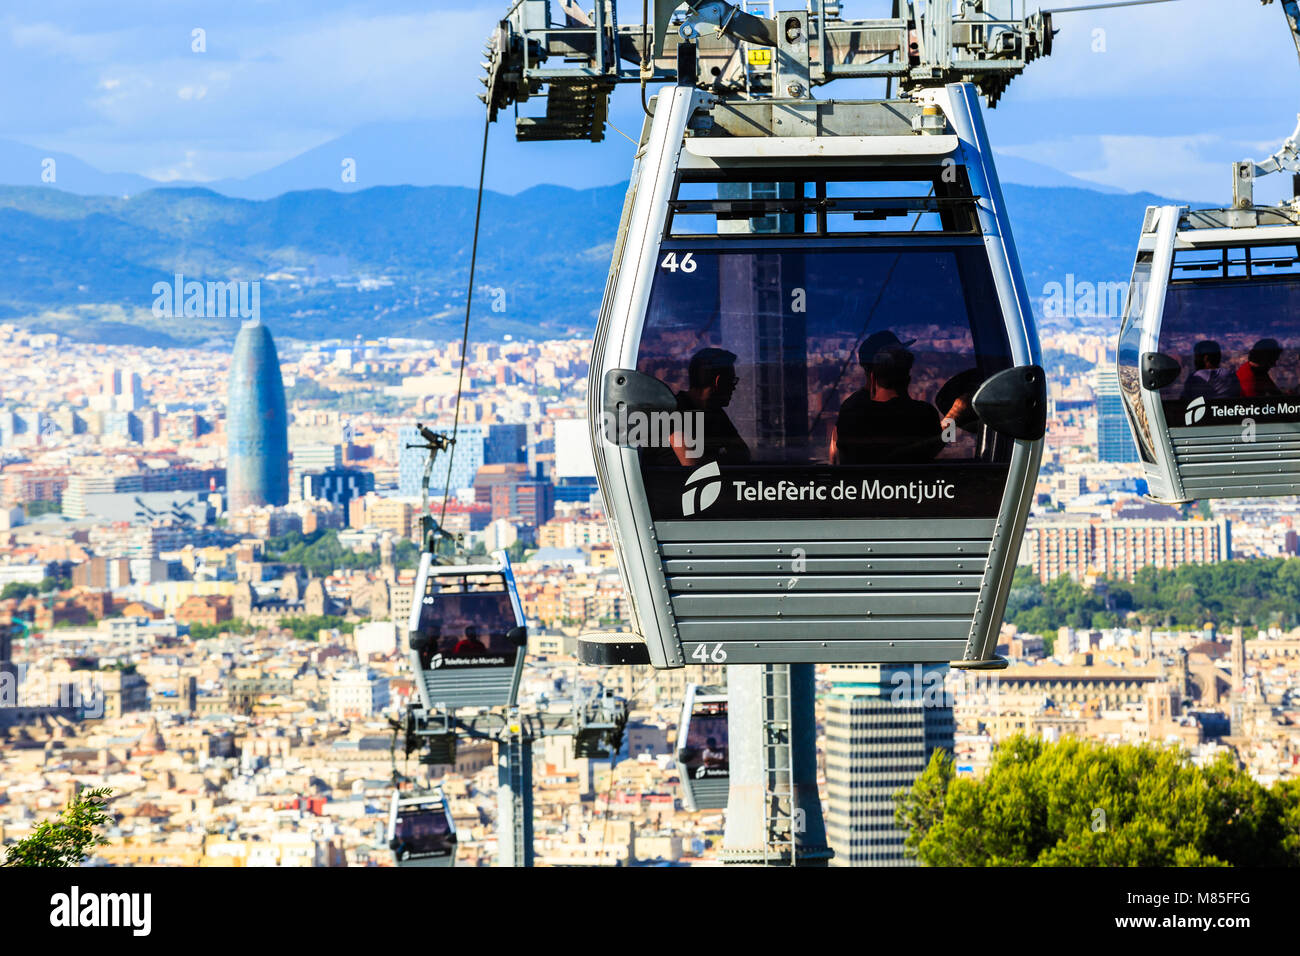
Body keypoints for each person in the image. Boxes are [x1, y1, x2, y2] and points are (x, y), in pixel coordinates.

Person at [831, 332, 943, 464]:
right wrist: (954, 418)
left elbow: (837, 457)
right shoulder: (921, 414)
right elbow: (929, 446)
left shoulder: (850, 409)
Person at [662, 347, 752, 466]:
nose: (734, 387)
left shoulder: (715, 413)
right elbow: (694, 467)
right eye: (732, 381)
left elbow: (744, 455)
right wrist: (723, 456)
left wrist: (709, 459)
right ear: (718, 381)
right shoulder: (676, 412)